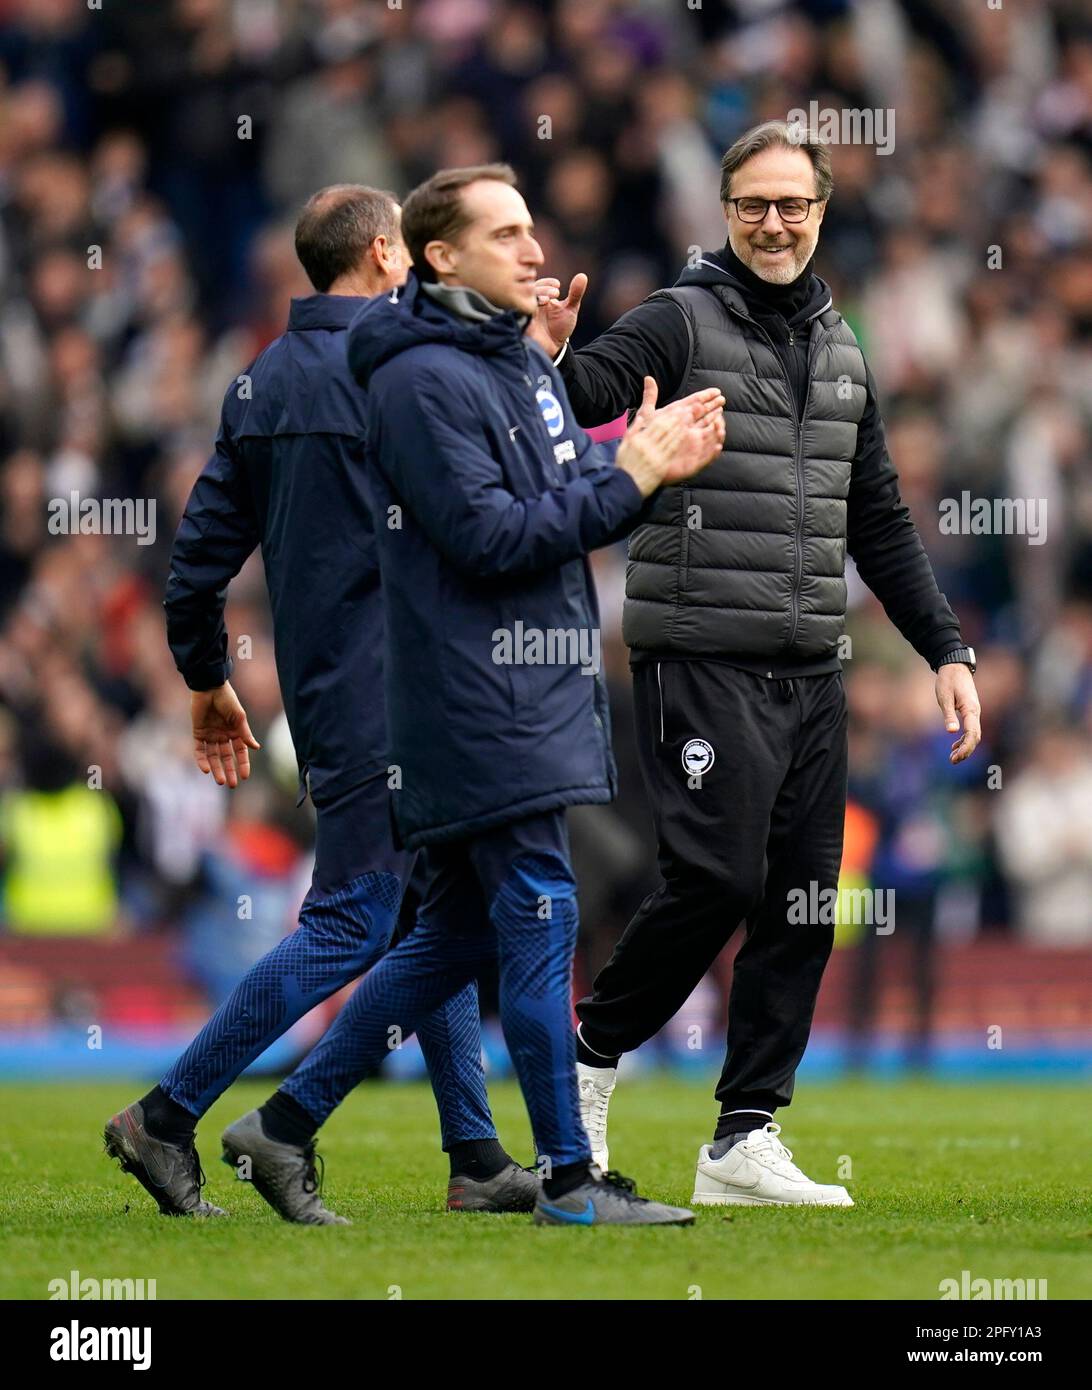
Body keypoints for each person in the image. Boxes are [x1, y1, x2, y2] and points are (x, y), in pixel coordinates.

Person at [221, 162, 726, 1226]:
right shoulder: (416, 381)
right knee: (545, 918)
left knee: (449, 942)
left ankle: (283, 1123)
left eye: (531, 229)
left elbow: (556, 505)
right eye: (506, 234)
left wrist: (639, 466)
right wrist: (629, 477)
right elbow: (487, 536)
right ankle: (572, 1183)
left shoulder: (509, 362)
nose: (535, 252)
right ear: (437, 255)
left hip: (524, 689)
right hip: (474, 696)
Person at [529, 120, 983, 1207]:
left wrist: (945, 648)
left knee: (801, 901)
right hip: (700, 655)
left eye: (794, 205)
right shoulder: (679, 318)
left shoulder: (842, 345)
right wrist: (544, 354)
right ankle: (590, 1062)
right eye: (753, 205)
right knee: (719, 878)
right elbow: (590, 392)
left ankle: (743, 1136)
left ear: (822, 213)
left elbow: (876, 515)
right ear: (724, 213)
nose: (774, 223)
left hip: (812, 667)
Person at [104, 185, 535, 1224]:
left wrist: (208, 683)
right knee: (357, 919)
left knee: (433, 911)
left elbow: (195, 564)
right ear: (390, 254)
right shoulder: (408, 367)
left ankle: (474, 1153)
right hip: (412, 689)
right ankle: (169, 1116)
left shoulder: (259, 384)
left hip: (329, 693)